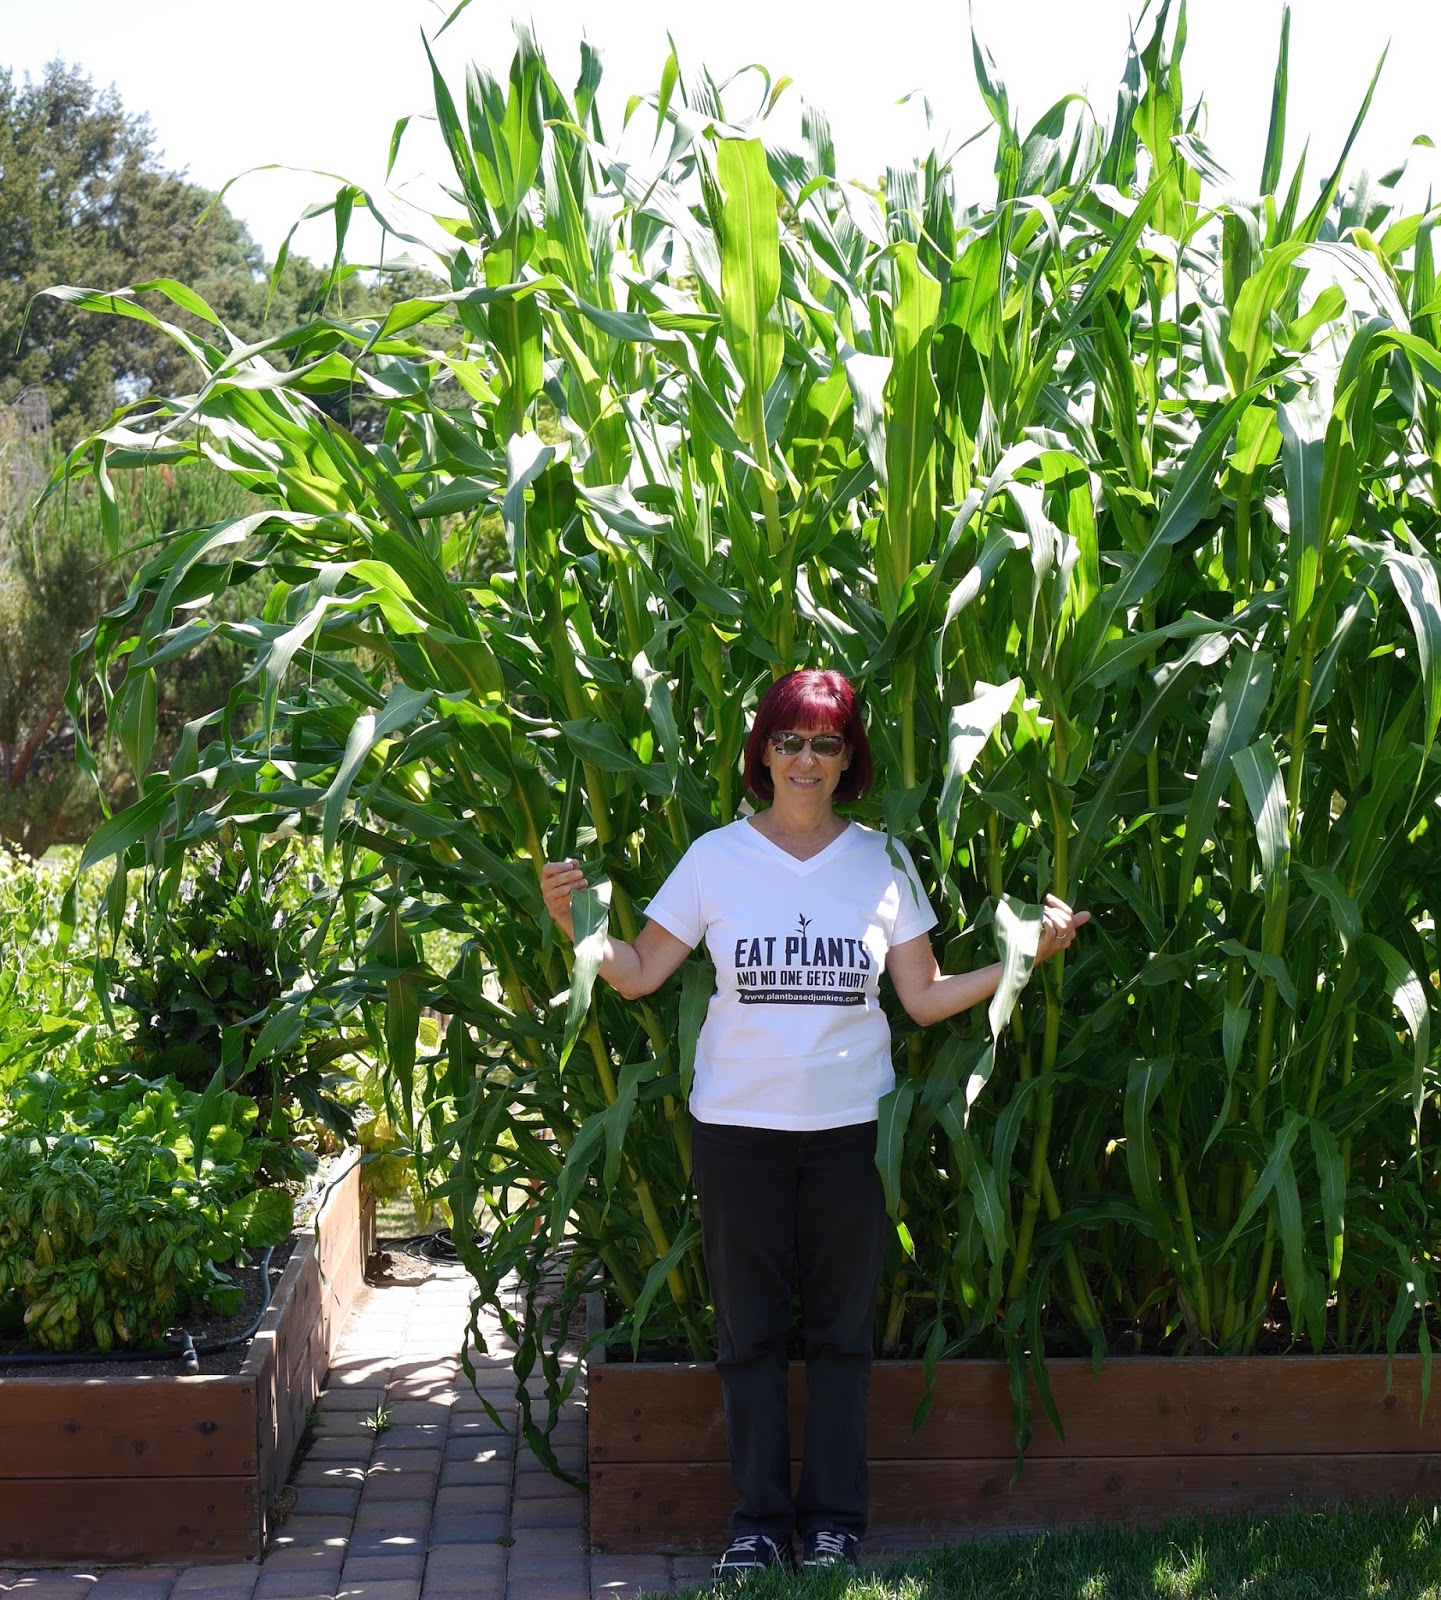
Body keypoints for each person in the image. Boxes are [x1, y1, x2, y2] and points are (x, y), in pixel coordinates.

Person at [541, 669, 1087, 1577]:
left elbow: (919, 998)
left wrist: (1020, 955)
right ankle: (757, 1523)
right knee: (747, 1336)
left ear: (847, 760)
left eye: (824, 743)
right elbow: (637, 971)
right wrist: (578, 921)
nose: (804, 758)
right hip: (737, 1132)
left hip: (847, 1137)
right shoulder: (716, 858)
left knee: (840, 1338)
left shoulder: (882, 861)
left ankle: (833, 1521)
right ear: (762, 754)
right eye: (788, 740)